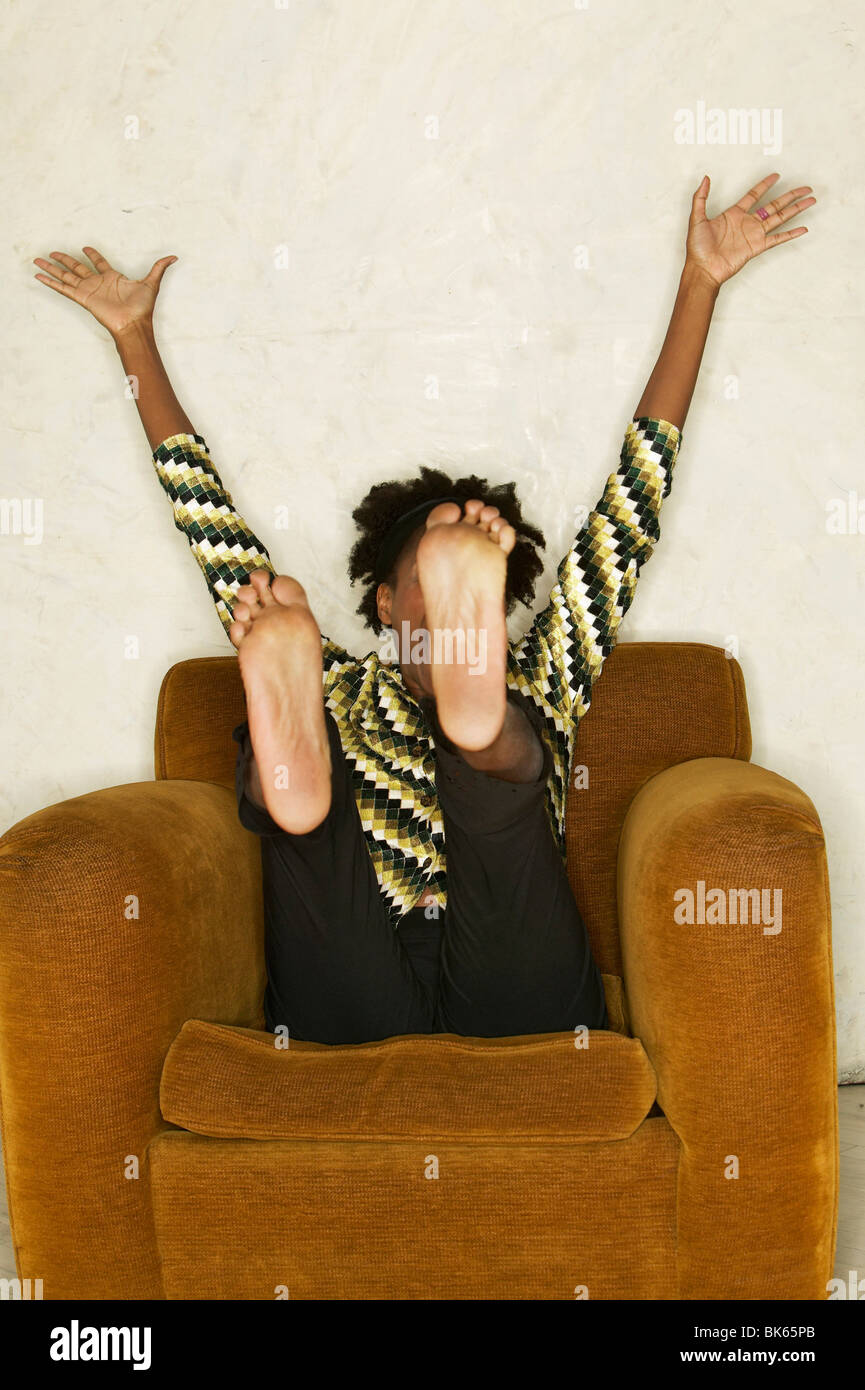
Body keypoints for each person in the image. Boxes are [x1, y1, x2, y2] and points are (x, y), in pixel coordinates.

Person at [33, 172, 815, 1044]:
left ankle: (453, 745)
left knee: (493, 776)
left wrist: (699, 284)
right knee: (333, 802)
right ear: (386, 596)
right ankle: (323, 790)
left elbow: (630, 509)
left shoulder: (541, 665)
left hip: (513, 978)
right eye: (437, 566)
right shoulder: (329, 677)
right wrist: (132, 335)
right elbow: (209, 526)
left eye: (464, 573)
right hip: (354, 973)